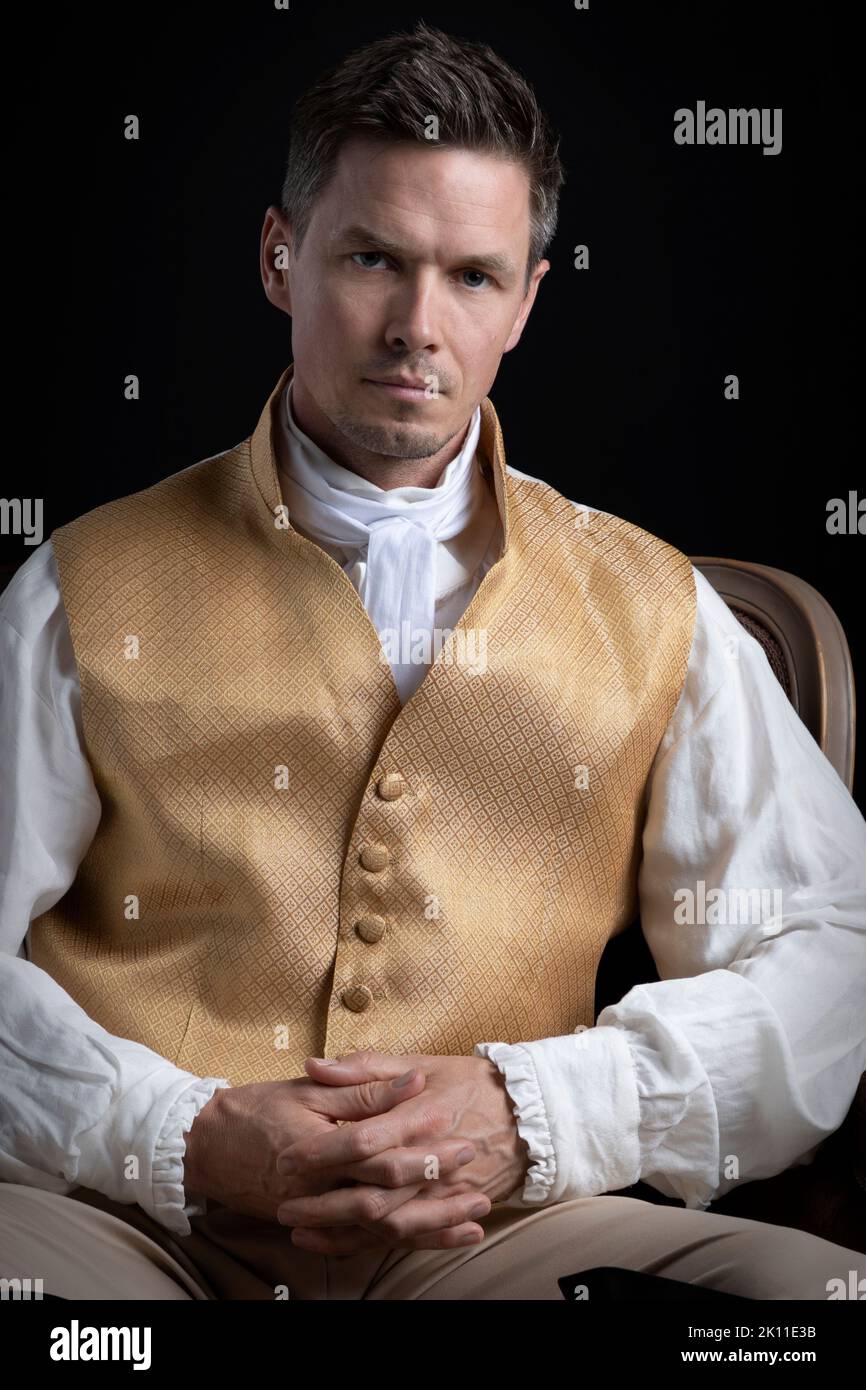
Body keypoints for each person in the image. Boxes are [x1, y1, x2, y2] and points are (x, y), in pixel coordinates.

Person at [1, 21, 864, 1301]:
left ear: (524, 299)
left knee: (806, 1314)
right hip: (122, 1241)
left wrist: (536, 1112)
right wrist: (176, 1133)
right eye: (371, 259)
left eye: (470, 275)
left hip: (495, 1253)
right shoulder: (80, 584)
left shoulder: (653, 605)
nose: (417, 325)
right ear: (278, 258)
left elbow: (824, 955)